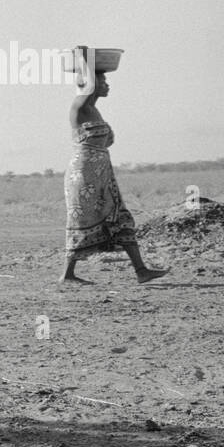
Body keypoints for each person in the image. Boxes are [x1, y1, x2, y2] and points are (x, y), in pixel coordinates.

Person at [61, 58, 168, 285]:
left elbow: (105, 143)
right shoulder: (79, 108)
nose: (107, 85)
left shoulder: (95, 111)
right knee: (81, 220)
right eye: (103, 81)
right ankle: (67, 275)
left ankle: (141, 270)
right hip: (83, 175)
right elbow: (87, 85)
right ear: (90, 84)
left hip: (102, 173)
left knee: (120, 218)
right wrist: (85, 56)